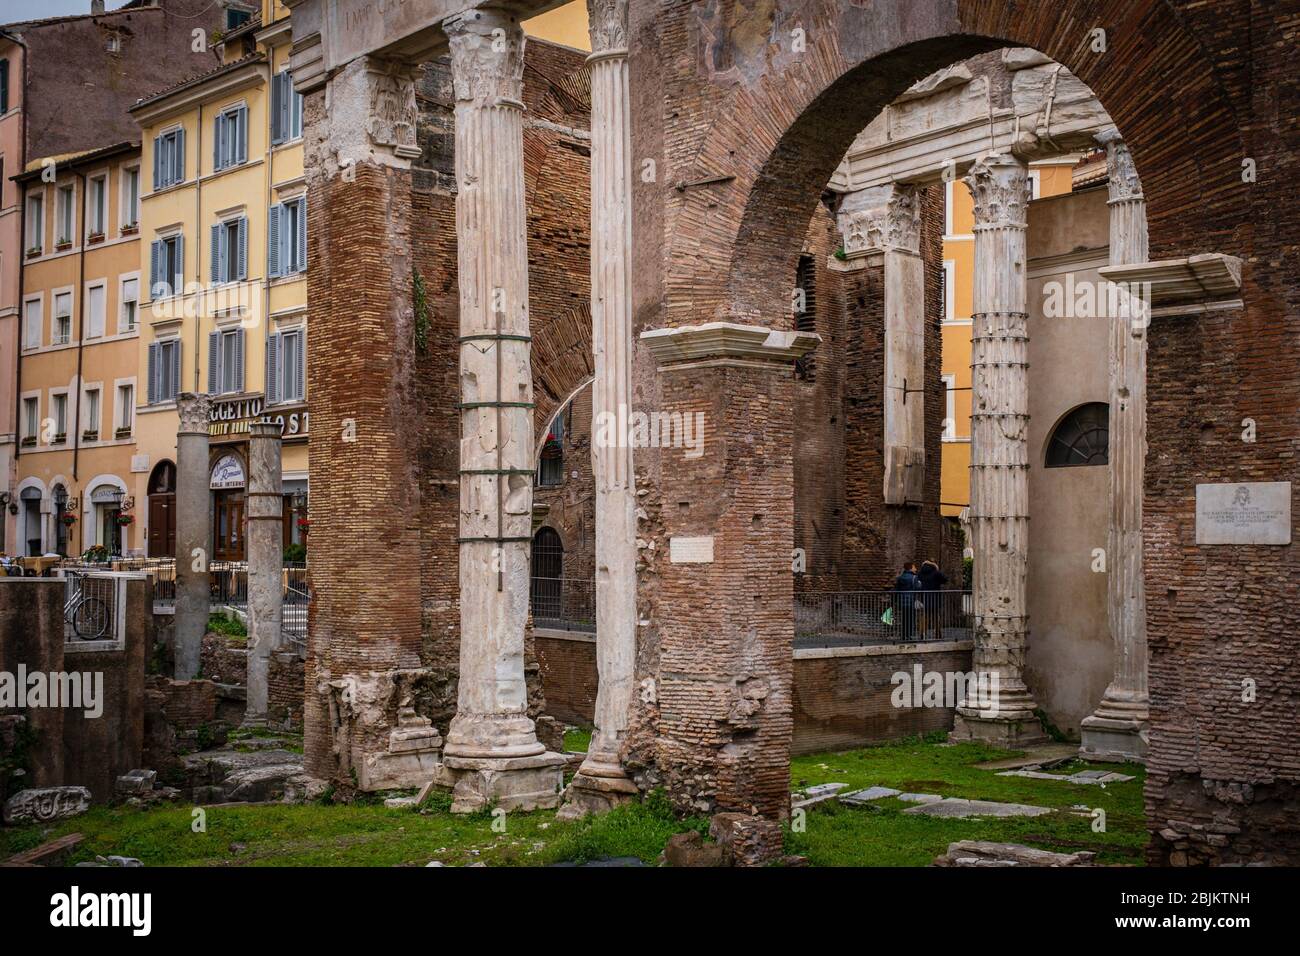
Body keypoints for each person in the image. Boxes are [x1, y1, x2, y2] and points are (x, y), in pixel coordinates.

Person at [918, 560, 948, 639]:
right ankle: (937, 634)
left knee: (924, 617)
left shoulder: (920, 573)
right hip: (935, 597)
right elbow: (945, 580)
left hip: (924, 598)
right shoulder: (936, 572)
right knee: (936, 617)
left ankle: (922, 634)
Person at [893, 561, 922, 639]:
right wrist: (919, 584)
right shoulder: (914, 577)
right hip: (911, 601)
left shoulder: (900, 577)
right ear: (911, 568)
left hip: (902, 601)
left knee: (904, 618)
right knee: (910, 619)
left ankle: (903, 635)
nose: (915, 569)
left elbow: (897, 589)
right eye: (914, 567)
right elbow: (917, 588)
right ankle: (908, 635)